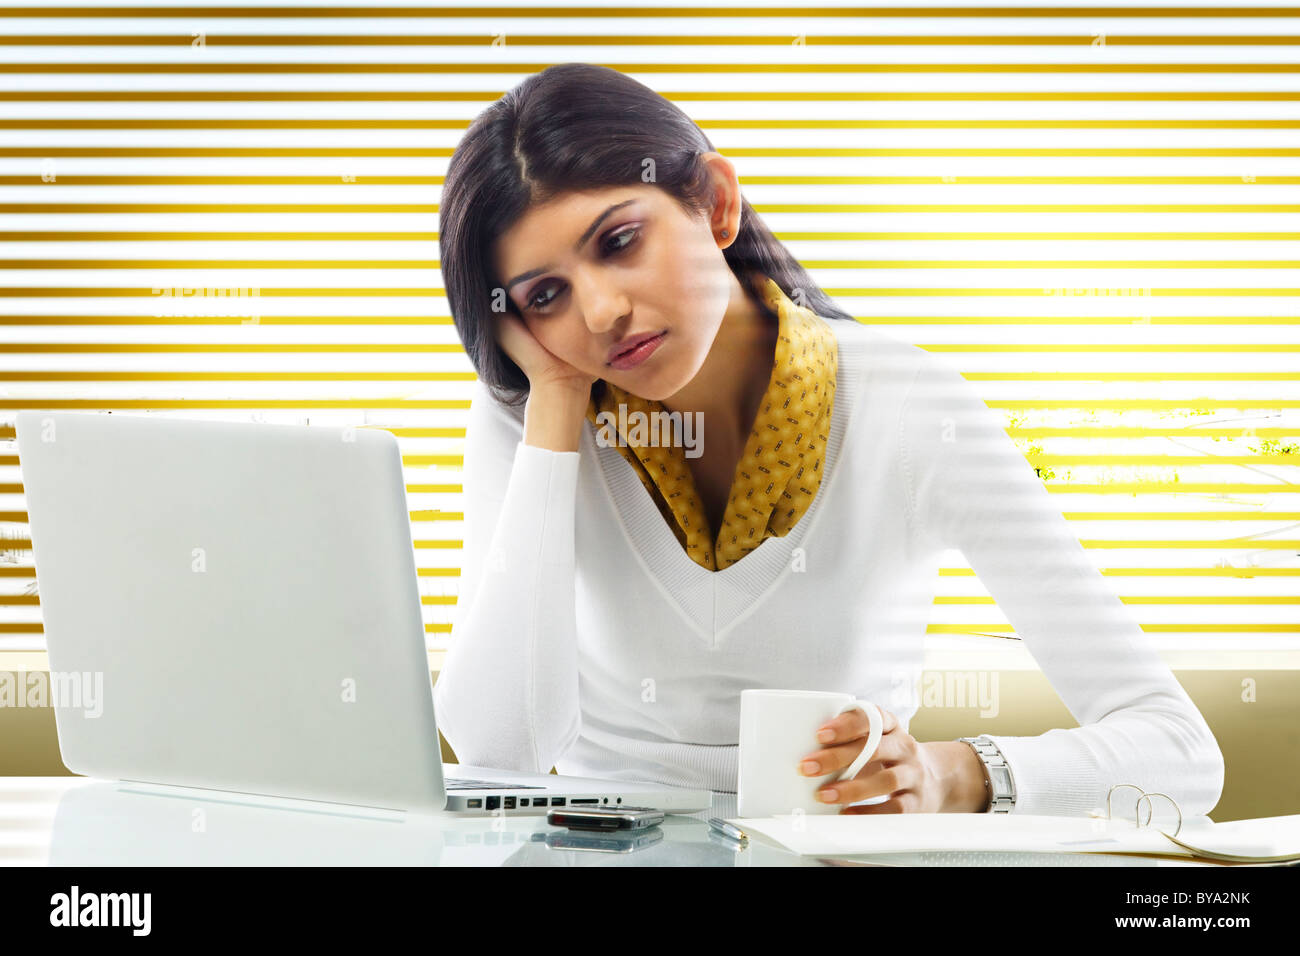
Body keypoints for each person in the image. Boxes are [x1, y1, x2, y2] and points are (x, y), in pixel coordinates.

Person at [432, 63, 1225, 817]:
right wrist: (558, 404)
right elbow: (502, 748)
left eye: (618, 242)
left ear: (714, 203)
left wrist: (954, 775)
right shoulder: (536, 416)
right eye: (547, 295)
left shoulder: (906, 406)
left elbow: (1181, 750)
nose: (599, 311)